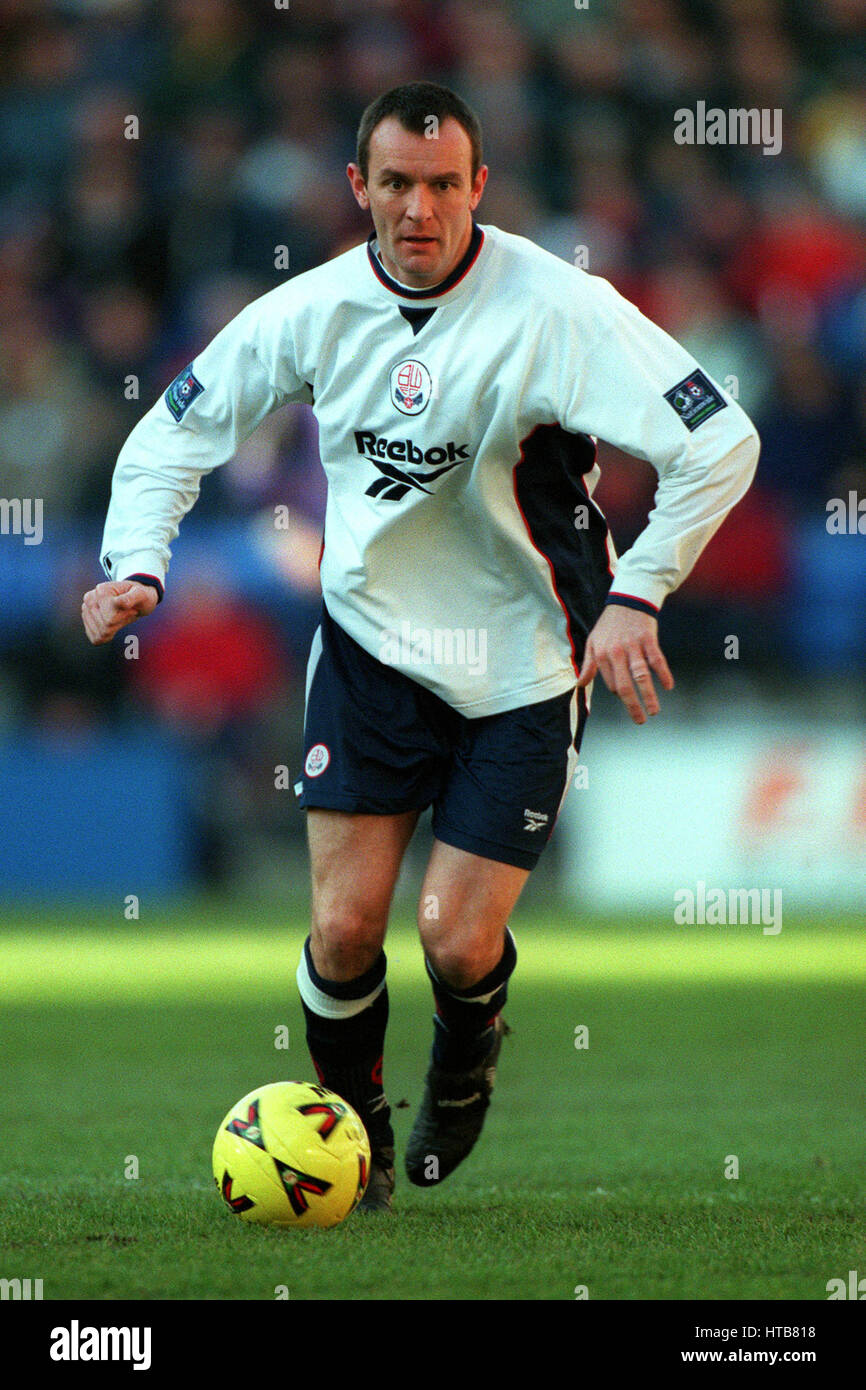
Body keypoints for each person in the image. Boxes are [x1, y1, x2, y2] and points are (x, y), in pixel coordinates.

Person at [82, 82, 760, 1213]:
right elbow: (170, 435)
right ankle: (357, 1145)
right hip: (371, 646)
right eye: (395, 182)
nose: (418, 208)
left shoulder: (558, 307)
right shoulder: (311, 309)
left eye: (443, 184)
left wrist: (638, 592)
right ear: (359, 186)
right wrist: (137, 564)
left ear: (478, 186)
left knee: (452, 937)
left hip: (525, 659)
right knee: (344, 929)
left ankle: (466, 1062)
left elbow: (720, 439)